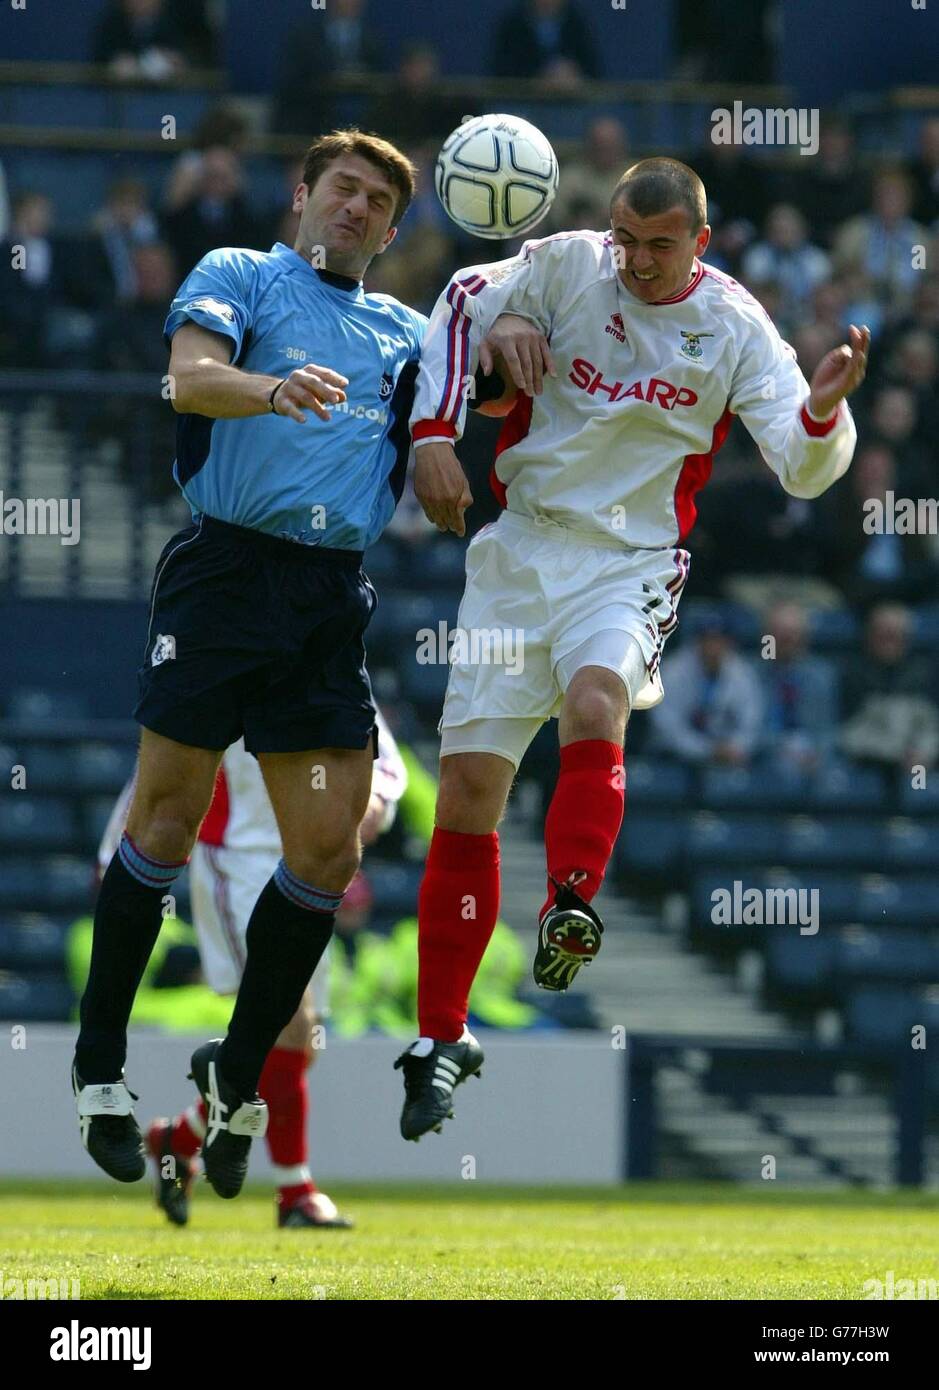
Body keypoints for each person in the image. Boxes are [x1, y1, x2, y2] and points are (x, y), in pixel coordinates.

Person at [396, 156, 866, 1140]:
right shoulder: (569, 265)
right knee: (472, 793)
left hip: (631, 558)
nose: (638, 260)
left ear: (701, 239)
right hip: (519, 548)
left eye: (660, 244)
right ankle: (441, 1036)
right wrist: (436, 430)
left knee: (599, 703)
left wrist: (823, 414)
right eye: (627, 239)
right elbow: (458, 294)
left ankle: (572, 902)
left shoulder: (735, 324)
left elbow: (804, 462)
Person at [70, 128, 426, 1200]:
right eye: (343, 189)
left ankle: (233, 1075)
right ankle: (97, 1072)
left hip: (326, 598)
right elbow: (187, 384)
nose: (356, 209)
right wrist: (272, 390)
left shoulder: (408, 335)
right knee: (164, 823)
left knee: (326, 851)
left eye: (377, 201)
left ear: (394, 229)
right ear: (303, 194)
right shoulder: (240, 276)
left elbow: (472, 411)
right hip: (223, 577)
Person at [96, 710, 406, 1228]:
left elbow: (383, 756)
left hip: (311, 868)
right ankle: (295, 1194)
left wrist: (380, 799)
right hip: (236, 863)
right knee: (291, 1025)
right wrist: (115, 857)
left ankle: (180, 1138)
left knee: (294, 1045)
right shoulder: (225, 657)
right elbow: (161, 769)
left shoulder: (331, 657)